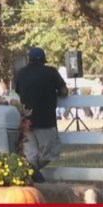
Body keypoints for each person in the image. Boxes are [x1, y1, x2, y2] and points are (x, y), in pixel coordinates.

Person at [13, 47, 69, 175]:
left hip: (26, 121)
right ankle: (29, 175)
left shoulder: (21, 73)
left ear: (29, 59)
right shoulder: (51, 72)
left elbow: (18, 91)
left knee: (31, 156)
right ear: (44, 60)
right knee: (49, 154)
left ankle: (28, 176)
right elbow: (64, 91)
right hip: (46, 120)